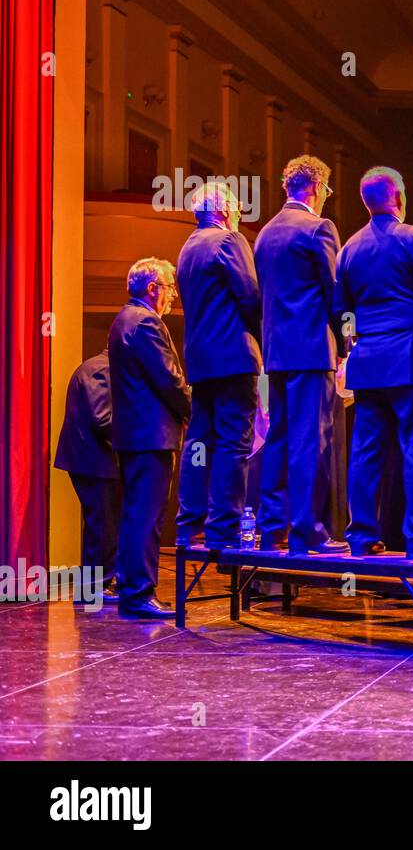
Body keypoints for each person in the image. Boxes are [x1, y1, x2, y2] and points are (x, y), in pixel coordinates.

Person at [334, 167, 413, 559]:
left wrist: (355, 343)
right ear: (398, 195)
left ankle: (362, 536)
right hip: (411, 358)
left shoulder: (348, 248)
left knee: (366, 450)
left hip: (368, 360)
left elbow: (341, 310)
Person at [253, 155, 348, 555]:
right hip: (311, 351)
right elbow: (334, 291)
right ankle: (307, 530)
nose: (327, 197)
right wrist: (345, 345)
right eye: (326, 189)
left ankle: (272, 527)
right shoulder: (318, 228)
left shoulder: (264, 233)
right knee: (311, 442)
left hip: (277, 352)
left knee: (279, 438)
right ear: (314, 187)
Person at [175, 181, 261, 550]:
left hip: (200, 361)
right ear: (225, 211)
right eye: (238, 210)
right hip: (232, 358)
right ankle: (223, 528)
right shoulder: (228, 242)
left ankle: (189, 523)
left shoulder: (186, 249)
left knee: (198, 442)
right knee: (233, 444)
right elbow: (251, 297)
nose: (240, 216)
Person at [108, 258, 191, 618]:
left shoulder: (123, 319)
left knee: (135, 514)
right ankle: (140, 593)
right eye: (170, 287)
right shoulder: (146, 323)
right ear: (153, 288)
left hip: (134, 434)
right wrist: (194, 408)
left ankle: (131, 588)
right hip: (151, 435)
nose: (173, 295)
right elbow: (169, 379)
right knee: (147, 516)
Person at [53, 347, 120, 599]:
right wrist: (135, 437)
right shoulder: (102, 369)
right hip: (92, 459)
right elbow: (102, 419)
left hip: (89, 458)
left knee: (100, 524)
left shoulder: (97, 366)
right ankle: (95, 587)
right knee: (102, 525)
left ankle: (94, 585)